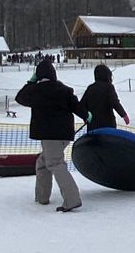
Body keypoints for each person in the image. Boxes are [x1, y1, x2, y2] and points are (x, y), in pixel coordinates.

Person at [15, 60, 86, 212]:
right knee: (43, 162)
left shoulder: (35, 90)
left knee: (54, 163)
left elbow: (20, 98)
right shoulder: (64, 90)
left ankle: (72, 199)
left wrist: (30, 82)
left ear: (38, 75)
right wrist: (88, 116)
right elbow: (78, 107)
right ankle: (42, 197)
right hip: (65, 134)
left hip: (49, 135)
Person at [80, 64, 130, 132]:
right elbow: (115, 103)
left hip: (93, 126)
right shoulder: (109, 87)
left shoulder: (90, 88)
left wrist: (86, 117)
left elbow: (81, 105)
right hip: (108, 125)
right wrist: (124, 115)